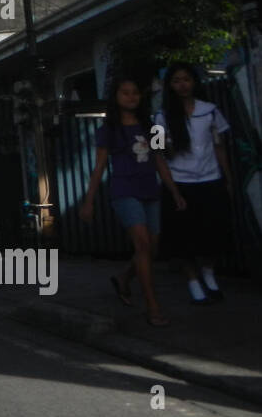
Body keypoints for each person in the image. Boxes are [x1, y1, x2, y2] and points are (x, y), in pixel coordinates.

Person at [80, 73, 186, 326]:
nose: (131, 97)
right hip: (124, 192)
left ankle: (125, 278)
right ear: (116, 97)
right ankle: (153, 307)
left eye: (135, 92)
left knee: (152, 248)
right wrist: (89, 201)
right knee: (142, 245)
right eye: (125, 92)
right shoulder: (109, 130)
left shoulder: (153, 128)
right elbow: (99, 167)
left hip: (150, 191)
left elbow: (160, 160)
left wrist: (174, 191)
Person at [154, 61, 235, 304]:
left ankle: (209, 275)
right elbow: (158, 156)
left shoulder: (209, 110)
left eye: (186, 79)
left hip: (210, 179)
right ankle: (192, 281)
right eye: (176, 80)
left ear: (194, 82)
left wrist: (227, 178)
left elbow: (219, 146)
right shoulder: (162, 117)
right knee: (184, 239)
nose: (182, 85)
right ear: (170, 85)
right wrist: (173, 190)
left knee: (212, 234)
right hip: (181, 182)